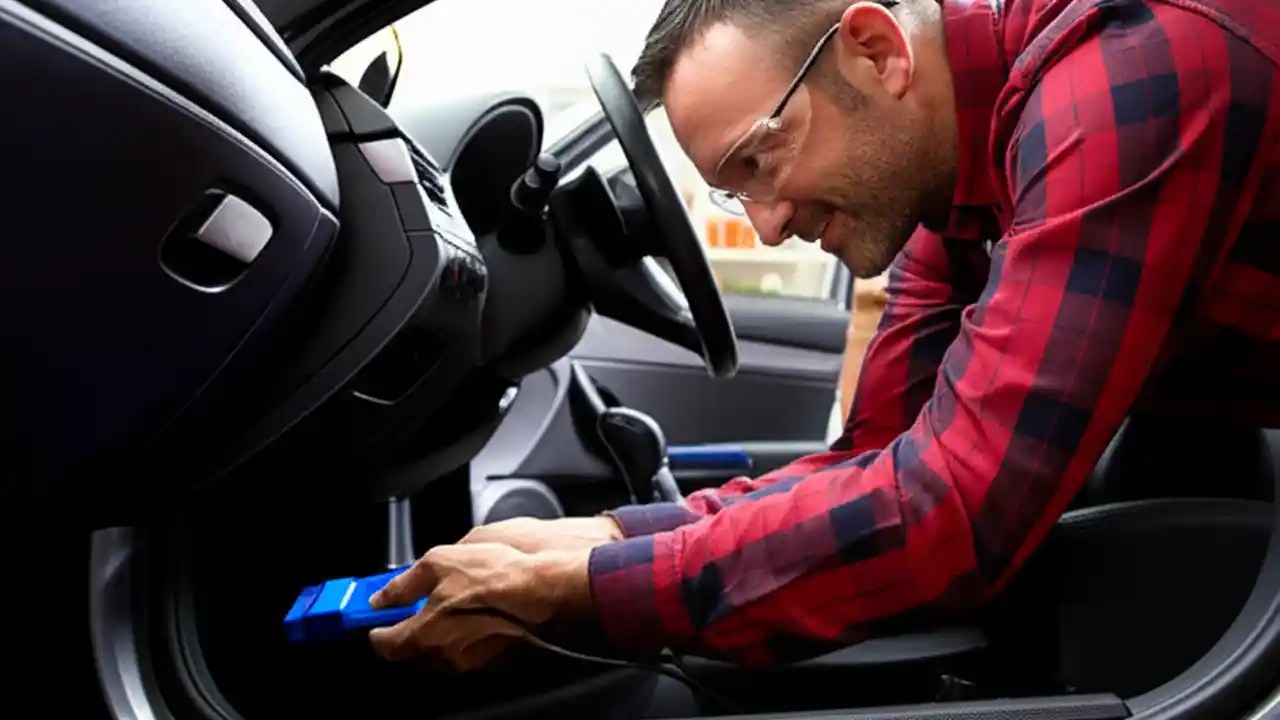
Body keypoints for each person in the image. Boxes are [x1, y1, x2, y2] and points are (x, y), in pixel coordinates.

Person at [367, 0, 1280, 682]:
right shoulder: (953, 193)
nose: (767, 227)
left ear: (876, 51)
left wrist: (592, 590)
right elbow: (880, 456)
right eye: (736, 191)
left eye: (761, 159)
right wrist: (595, 539)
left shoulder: (1127, 72)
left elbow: (953, 513)